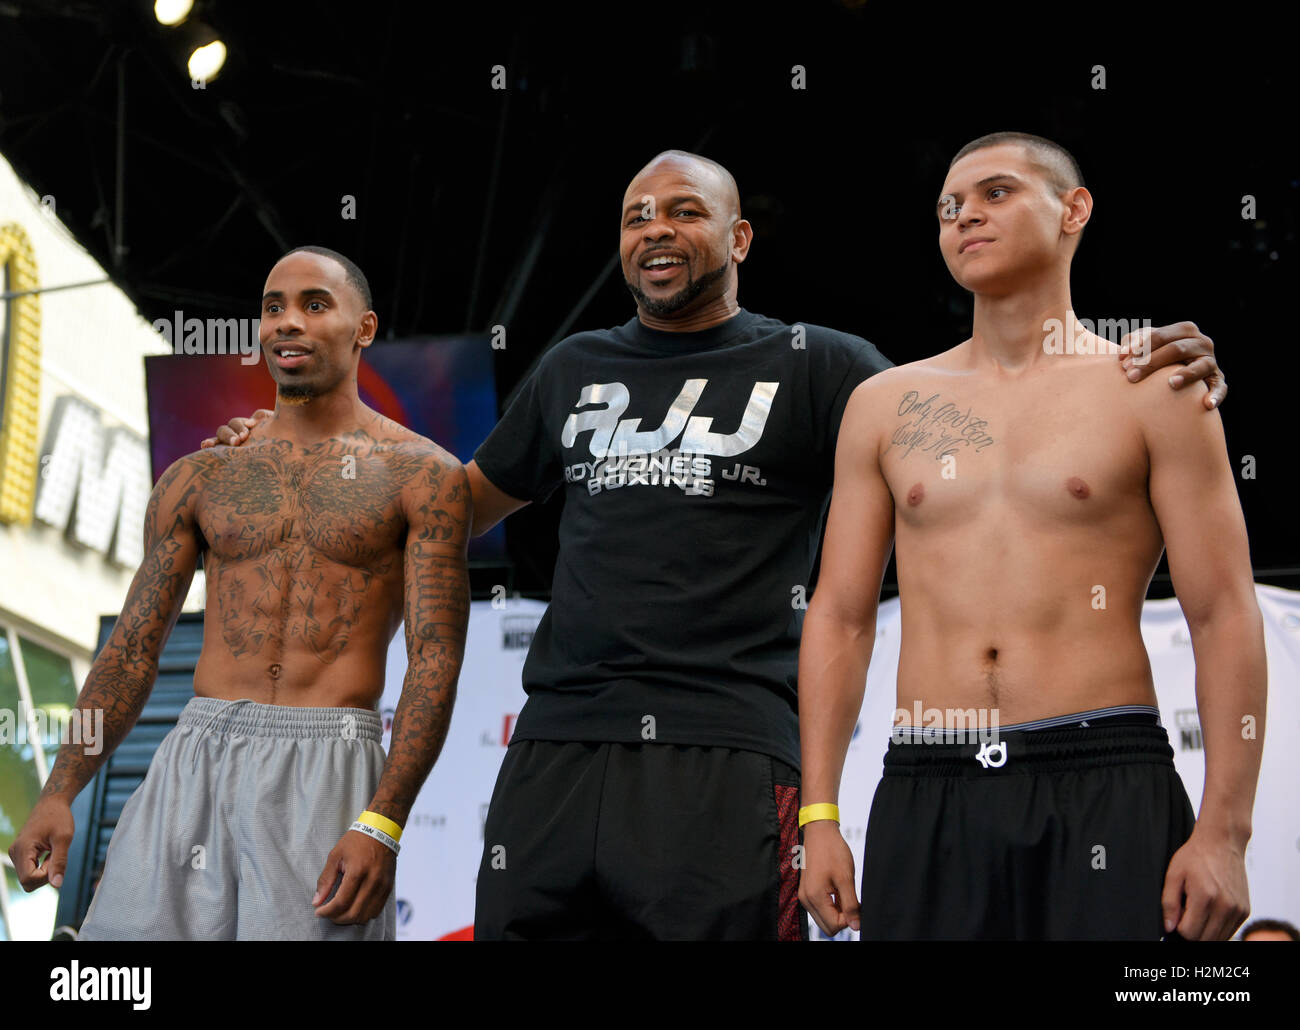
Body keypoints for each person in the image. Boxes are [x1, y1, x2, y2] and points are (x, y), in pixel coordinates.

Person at [208, 151, 1228, 940]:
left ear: (738, 237)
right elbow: (451, 507)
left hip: (732, 750)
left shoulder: (826, 367)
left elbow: (975, 414)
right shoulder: (572, 368)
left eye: (684, 211)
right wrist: (309, 441)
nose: (655, 229)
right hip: (559, 746)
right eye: (635, 216)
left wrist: (1138, 358)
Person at [798, 132, 1265, 941]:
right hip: (929, 775)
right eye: (949, 207)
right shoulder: (885, 404)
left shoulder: (1155, 385)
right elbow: (839, 615)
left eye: (996, 192)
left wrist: (1225, 831)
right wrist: (819, 814)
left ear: (1074, 209)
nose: (965, 216)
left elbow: (1223, 610)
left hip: (1106, 773)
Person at [8, 247, 471, 940]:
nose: (288, 321)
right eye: (273, 307)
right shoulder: (200, 475)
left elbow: (434, 657)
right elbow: (132, 648)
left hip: (327, 762)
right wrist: (60, 787)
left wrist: (383, 821)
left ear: (364, 329)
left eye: (315, 305)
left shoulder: (422, 475)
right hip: (196, 749)